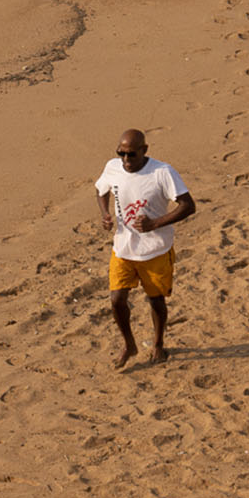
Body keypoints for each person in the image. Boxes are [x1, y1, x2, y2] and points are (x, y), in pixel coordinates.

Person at [95, 128, 196, 369]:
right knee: (117, 299)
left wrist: (155, 223)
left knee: (156, 300)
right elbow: (100, 190)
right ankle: (129, 344)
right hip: (123, 248)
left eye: (131, 155)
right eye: (121, 154)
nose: (126, 160)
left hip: (155, 250)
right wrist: (105, 214)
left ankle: (158, 343)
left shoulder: (162, 172)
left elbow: (188, 206)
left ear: (144, 150)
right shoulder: (113, 167)